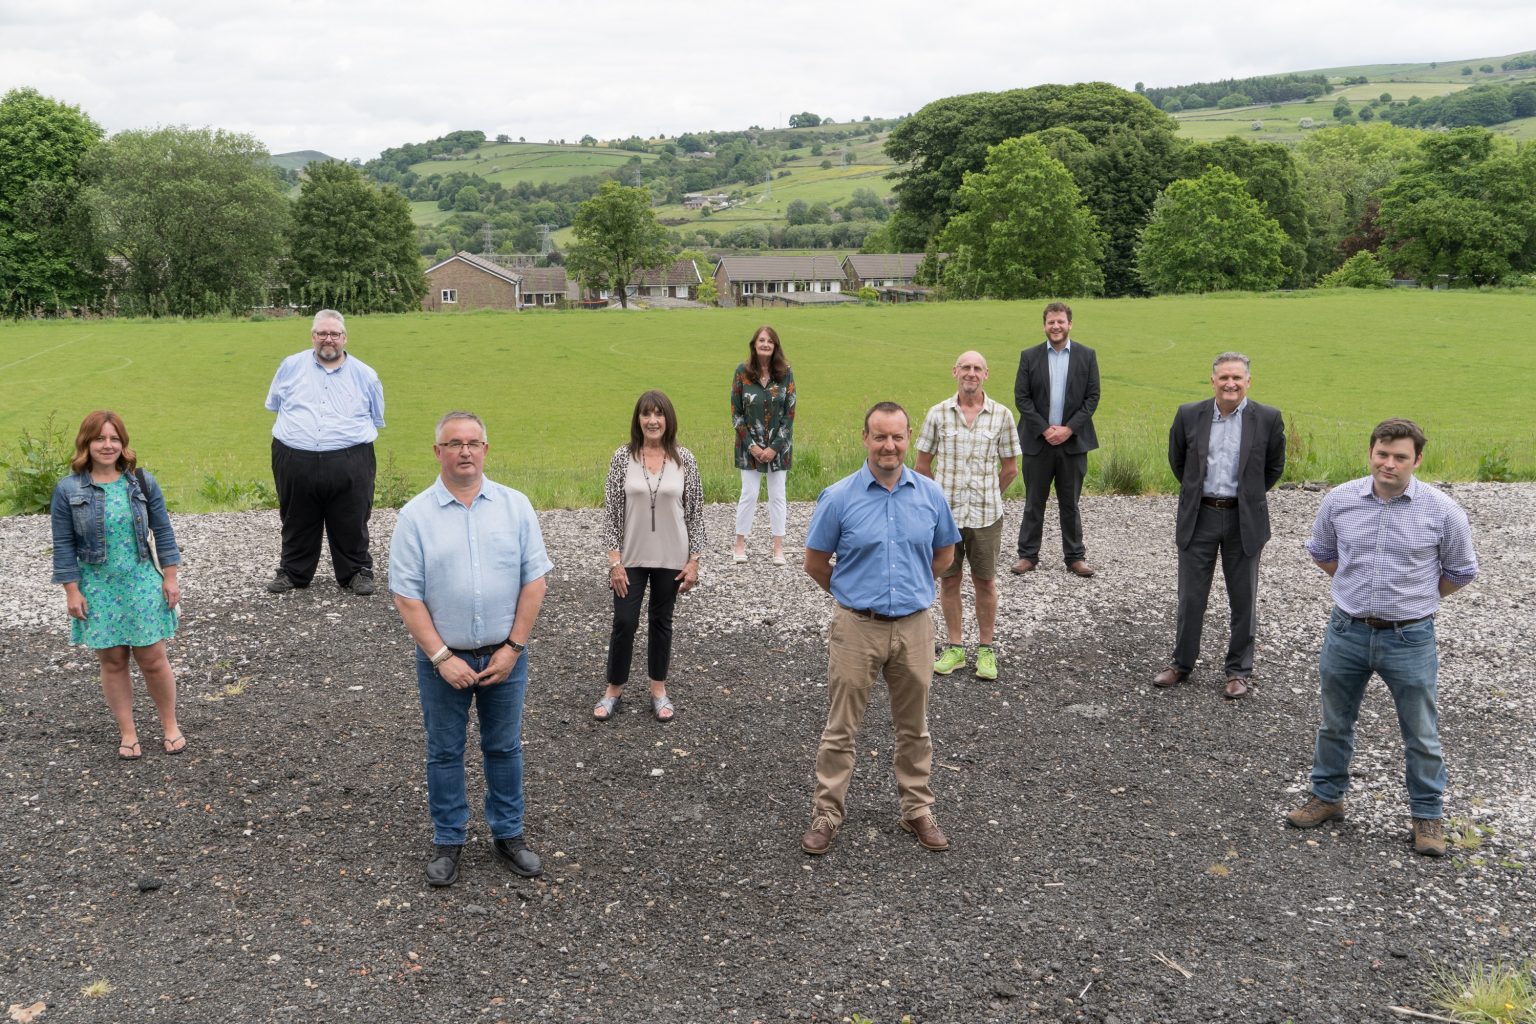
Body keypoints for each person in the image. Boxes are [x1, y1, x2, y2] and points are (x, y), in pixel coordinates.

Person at [1286, 419, 1478, 858]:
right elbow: (1322, 551)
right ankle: (1327, 796)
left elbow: (1461, 571)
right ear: (1371, 452)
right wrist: (1352, 588)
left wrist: (1420, 599)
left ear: (1417, 460)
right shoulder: (1340, 500)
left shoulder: (1443, 511)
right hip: (1346, 631)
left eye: (1400, 457)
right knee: (1334, 722)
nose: (1389, 463)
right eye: (1382, 454)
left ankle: (1427, 815)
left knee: (1421, 732)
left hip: (1410, 638)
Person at [388, 411, 552, 887]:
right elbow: (406, 596)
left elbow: (535, 581)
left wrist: (514, 648)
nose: (464, 451)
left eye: (473, 443)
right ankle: (448, 839)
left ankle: (509, 834)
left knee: (504, 747)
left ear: (485, 449)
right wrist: (442, 658)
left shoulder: (516, 507)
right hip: (443, 660)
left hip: (505, 654)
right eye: (454, 443)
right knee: (444, 751)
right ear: (437, 452)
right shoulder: (415, 516)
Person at [800, 402, 960, 856]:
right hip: (857, 627)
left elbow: (944, 555)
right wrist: (854, 592)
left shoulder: (930, 495)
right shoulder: (839, 497)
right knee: (841, 728)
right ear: (865, 438)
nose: (889, 445)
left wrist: (911, 588)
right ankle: (827, 814)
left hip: (914, 628)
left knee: (915, 728)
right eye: (880, 436)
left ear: (908, 437)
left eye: (896, 436)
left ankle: (917, 810)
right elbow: (815, 563)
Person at [49, 411, 185, 760]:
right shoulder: (67, 490)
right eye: (99, 438)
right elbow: (63, 545)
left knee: (152, 658)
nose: (107, 445)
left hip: (141, 580)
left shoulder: (141, 482)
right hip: (97, 585)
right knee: (112, 660)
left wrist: (170, 577)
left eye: (114, 438)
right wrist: (71, 591)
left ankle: (170, 725)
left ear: (123, 443)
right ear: (86, 443)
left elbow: (163, 532)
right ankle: (128, 733)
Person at [1155, 353, 1286, 700]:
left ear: (1248, 382)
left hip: (1244, 519)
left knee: (1243, 599)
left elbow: (1273, 467)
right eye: (1224, 377)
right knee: (1191, 597)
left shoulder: (1268, 418)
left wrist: (1247, 497)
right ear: (1212, 381)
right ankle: (1181, 664)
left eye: (1237, 378)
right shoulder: (1189, 414)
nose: (1230, 384)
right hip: (1199, 515)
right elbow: (1178, 462)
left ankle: (1238, 671)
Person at [595, 390, 705, 724]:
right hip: (630, 557)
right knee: (624, 622)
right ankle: (614, 689)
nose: (653, 420)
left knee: (661, 622)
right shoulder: (622, 457)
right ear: (638, 419)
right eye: (646, 414)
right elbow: (612, 514)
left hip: (672, 558)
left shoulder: (684, 459)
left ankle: (658, 689)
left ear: (668, 419)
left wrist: (694, 561)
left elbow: (695, 514)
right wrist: (614, 562)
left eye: (659, 414)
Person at [264, 308, 385, 596]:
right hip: (294, 457)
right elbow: (275, 403)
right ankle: (293, 572)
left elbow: (376, 415)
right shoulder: (290, 366)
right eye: (322, 333)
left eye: (334, 334)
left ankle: (356, 571)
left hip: (350, 458)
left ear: (344, 338)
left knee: (352, 517)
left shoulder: (365, 375)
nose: (327, 339)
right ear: (313, 336)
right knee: (295, 516)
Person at [916, 351, 1021, 681]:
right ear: (955, 372)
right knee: (949, 580)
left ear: (986, 374)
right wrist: (937, 502)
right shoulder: (938, 414)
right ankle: (955, 647)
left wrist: (991, 494)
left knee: (985, 581)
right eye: (965, 367)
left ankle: (986, 650)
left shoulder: (1002, 415)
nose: (971, 373)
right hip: (946, 517)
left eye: (977, 368)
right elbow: (921, 465)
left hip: (986, 515)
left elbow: (1010, 468)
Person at [1012, 301, 1100, 577]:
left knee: (1070, 503)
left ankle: (1075, 557)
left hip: (1072, 443)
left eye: (1061, 321)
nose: (1056, 326)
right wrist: (1045, 429)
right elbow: (1022, 398)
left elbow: (1092, 397)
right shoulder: (1029, 356)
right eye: (1051, 322)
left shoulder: (1087, 356)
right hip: (1038, 442)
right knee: (1033, 502)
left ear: (1069, 324)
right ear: (1044, 326)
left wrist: (1068, 429)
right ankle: (1027, 555)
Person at [731, 325, 797, 566]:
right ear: (754, 344)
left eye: (770, 341)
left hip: (779, 448)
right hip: (748, 447)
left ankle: (778, 547)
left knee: (778, 496)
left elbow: (789, 414)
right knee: (749, 494)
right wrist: (752, 447)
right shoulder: (742, 372)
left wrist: (774, 448)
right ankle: (739, 543)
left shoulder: (786, 373)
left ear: (775, 346)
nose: (765, 344)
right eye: (761, 340)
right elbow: (736, 413)